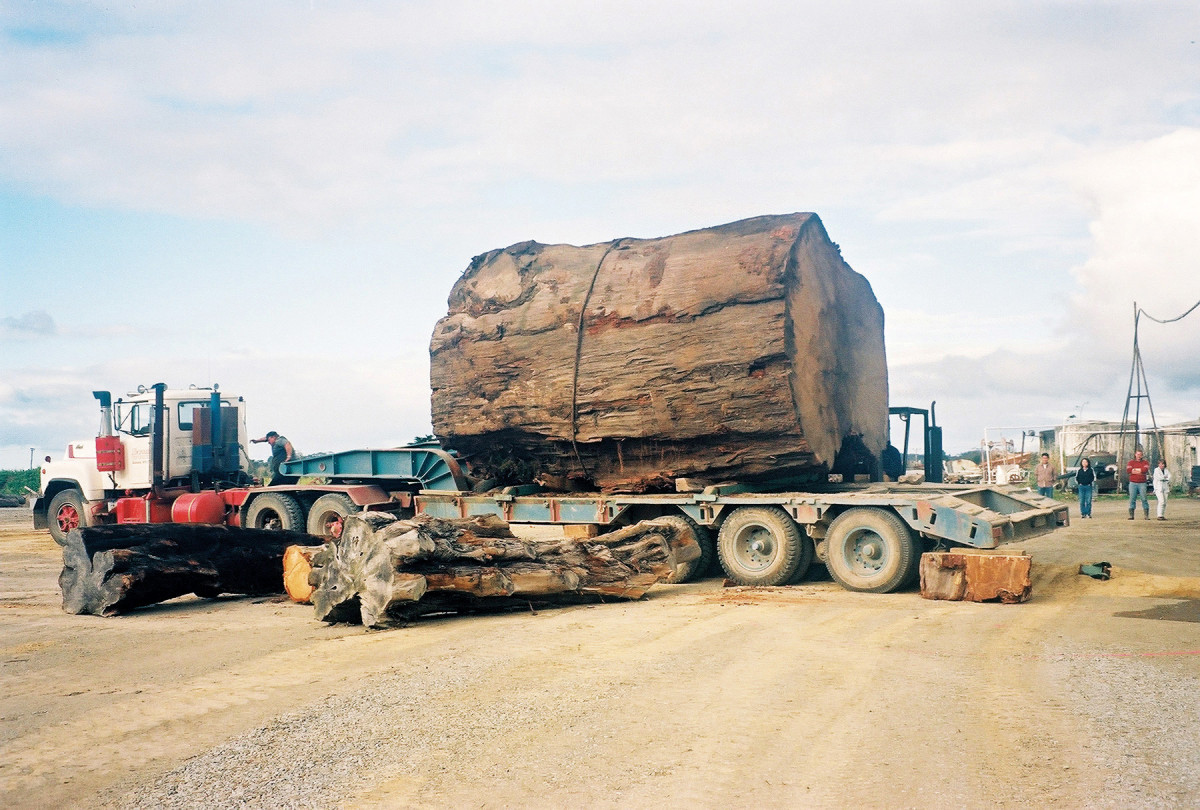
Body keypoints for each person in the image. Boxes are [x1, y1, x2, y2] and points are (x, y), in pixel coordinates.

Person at [1125, 449, 1151, 520]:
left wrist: (1134, 470)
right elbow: (1128, 470)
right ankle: (1131, 515)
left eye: (1140, 454)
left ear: (1142, 455)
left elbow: (1145, 470)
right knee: (1132, 498)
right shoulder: (1131, 462)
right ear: (1135, 455)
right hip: (1133, 483)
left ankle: (1146, 515)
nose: (1139, 456)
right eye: (1138, 454)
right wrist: (1139, 471)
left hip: (1142, 483)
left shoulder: (1145, 462)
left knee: (1144, 498)